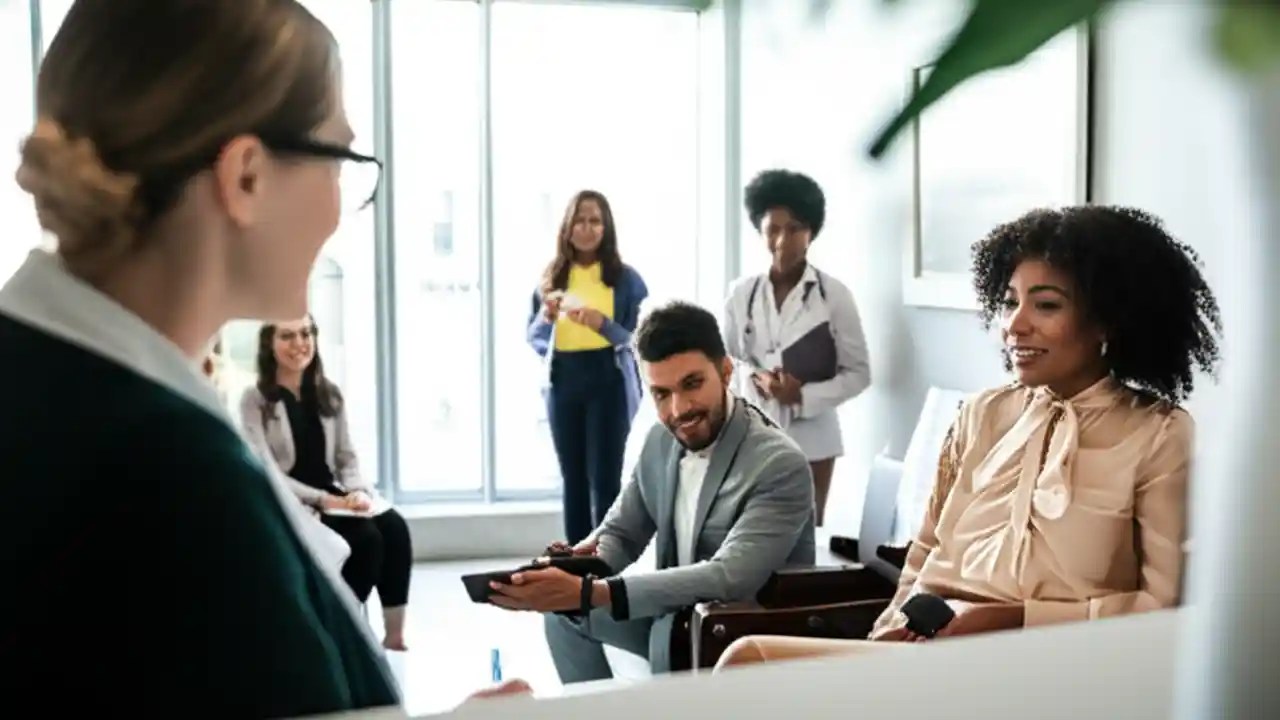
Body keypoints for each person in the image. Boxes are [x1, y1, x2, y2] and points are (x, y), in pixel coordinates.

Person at [0, 0, 524, 712]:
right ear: (246, 176)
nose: (344, 206)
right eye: (341, 158)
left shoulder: (52, 384)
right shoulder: (171, 478)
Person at [714, 205, 1223, 669]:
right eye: (1009, 303)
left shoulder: (1157, 434)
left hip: (1052, 666)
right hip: (928, 653)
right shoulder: (981, 414)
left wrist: (1013, 617)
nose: (1014, 325)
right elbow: (925, 553)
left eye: (1045, 305)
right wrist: (886, 635)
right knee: (747, 661)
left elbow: (1160, 605)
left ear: (1107, 321)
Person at [493, 301, 816, 680]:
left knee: (645, 626)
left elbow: (730, 576)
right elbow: (623, 532)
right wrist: (585, 566)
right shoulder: (660, 442)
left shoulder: (780, 464)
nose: (679, 409)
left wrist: (592, 593)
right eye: (661, 393)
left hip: (741, 635)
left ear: (726, 371)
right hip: (678, 618)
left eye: (692, 384)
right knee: (566, 615)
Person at [241, 316, 414, 652]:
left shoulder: (328, 393)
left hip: (334, 496)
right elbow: (266, 471)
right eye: (287, 336)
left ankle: (393, 638)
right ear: (269, 345)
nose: (299, 344)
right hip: (292, 500)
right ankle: (339, 634)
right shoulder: (255, 399)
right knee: (366, 541)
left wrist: (357, 492)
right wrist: (325, 500)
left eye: (306, 334)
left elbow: (346, 458)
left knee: (394, 528)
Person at [723, 169, 871, 526]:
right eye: (773, 228)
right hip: (753, 432)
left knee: (805, 535)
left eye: (794, 229)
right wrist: (758, 377)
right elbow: (727, 363)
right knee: (751, 531)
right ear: (760, 230)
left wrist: (801, 396)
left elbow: (859, 374)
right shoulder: (742, 293)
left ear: (811, 232)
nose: (782, 240)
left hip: (814, 439)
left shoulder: (833, 295)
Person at [527, 190, 649, 544]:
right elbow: (533, 337)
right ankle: (576, 563)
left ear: (606, 227)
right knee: (573, 478)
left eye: (595, 220)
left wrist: (601, 324)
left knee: (606, 477)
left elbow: (633, 338)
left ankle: (606, 560)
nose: (587, 228)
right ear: (567, 228)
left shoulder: (625, 279)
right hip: (564, 381)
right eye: (579, 220)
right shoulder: (552, 276)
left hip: (607, 380)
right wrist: (546, 316)